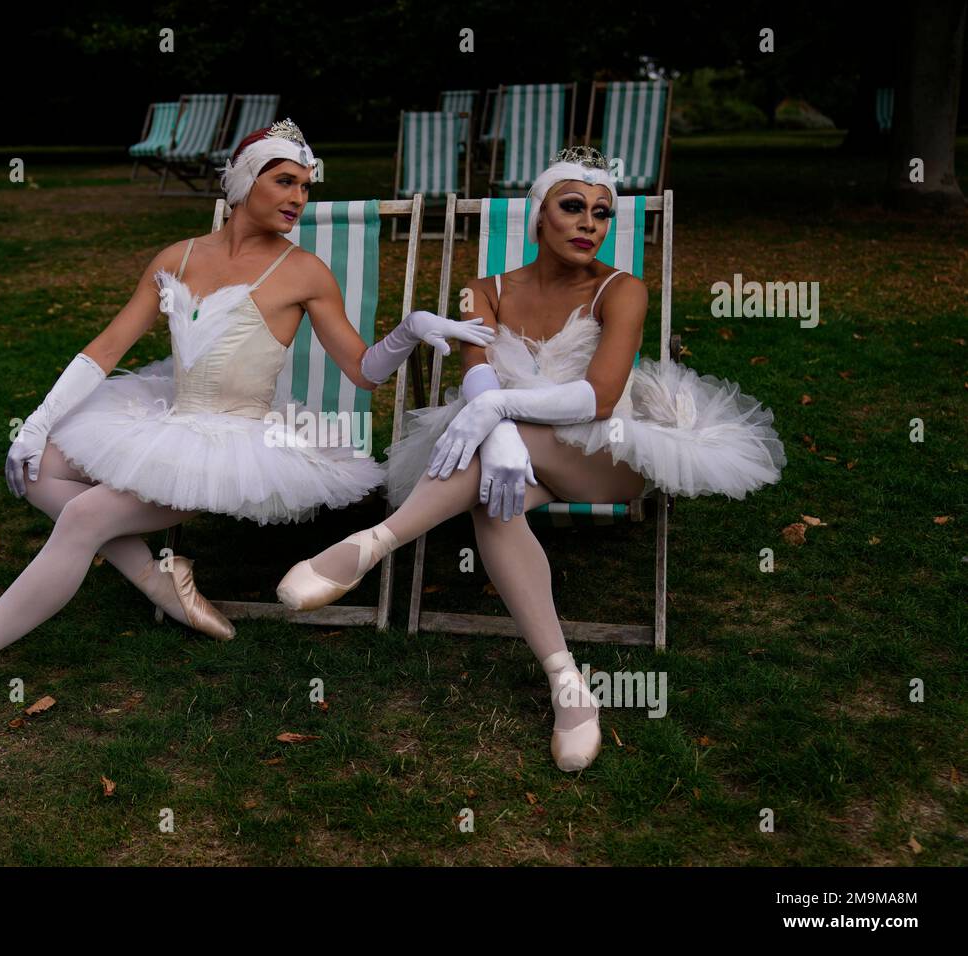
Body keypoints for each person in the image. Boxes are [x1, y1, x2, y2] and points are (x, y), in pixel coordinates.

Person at [0, 118, 495, 738]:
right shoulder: (178, 257)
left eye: (306, 186)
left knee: (84, 517)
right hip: (168, 414)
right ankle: (153, 573)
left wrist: (409, 329)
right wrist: (38, 422)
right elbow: (107, 349)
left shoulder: (303, 271)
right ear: (244, 184)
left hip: (233, 440)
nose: (299, 197)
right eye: (284, 182)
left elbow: (363, 372)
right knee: (38, 466)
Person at [276, 146, 786, 772]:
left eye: (602, 214)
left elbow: (598, 399)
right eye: (572, 207)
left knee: (494, 450)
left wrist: (499, 417)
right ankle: (568, 683)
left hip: (610, 451)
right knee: (496, 496)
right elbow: (476, 377)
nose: (588, 224)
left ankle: (375, 541)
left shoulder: (623, 290)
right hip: (517, 457)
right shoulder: (480, 291)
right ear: (538, 215)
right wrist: (498, 430)